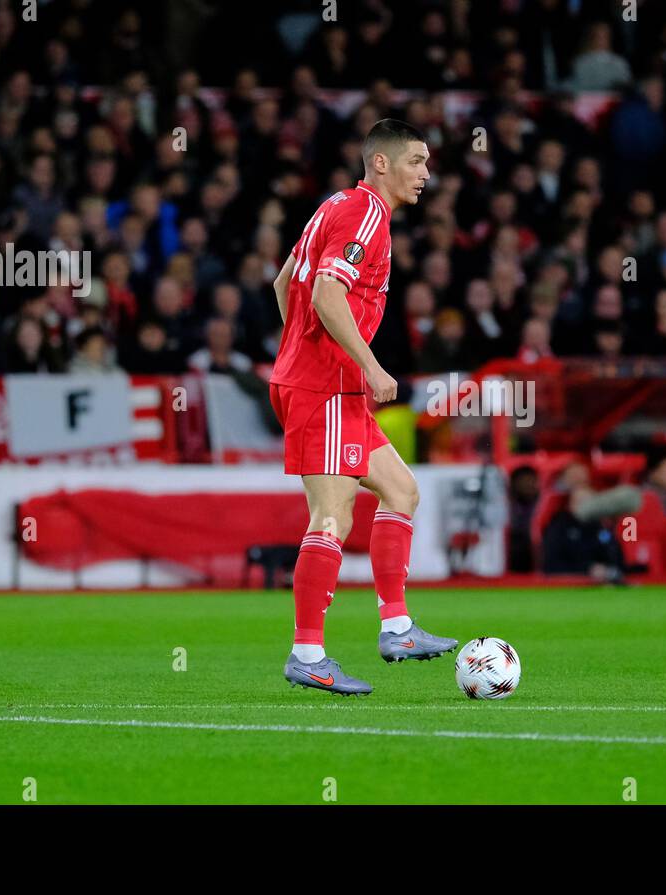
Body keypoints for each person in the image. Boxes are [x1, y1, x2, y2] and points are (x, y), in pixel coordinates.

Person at [268, 120, 456, 696]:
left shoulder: (337, 207)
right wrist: (365, 366)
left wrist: (302, 351)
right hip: (325, 388)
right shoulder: (366, 214)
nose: (426, 173)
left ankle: (396, 627)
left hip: (326, 383)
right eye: (418, 161)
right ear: (382, 162)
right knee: (332, 516)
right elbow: (325, 294)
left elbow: (283, 284)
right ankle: (307, 653)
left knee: (401, 492)